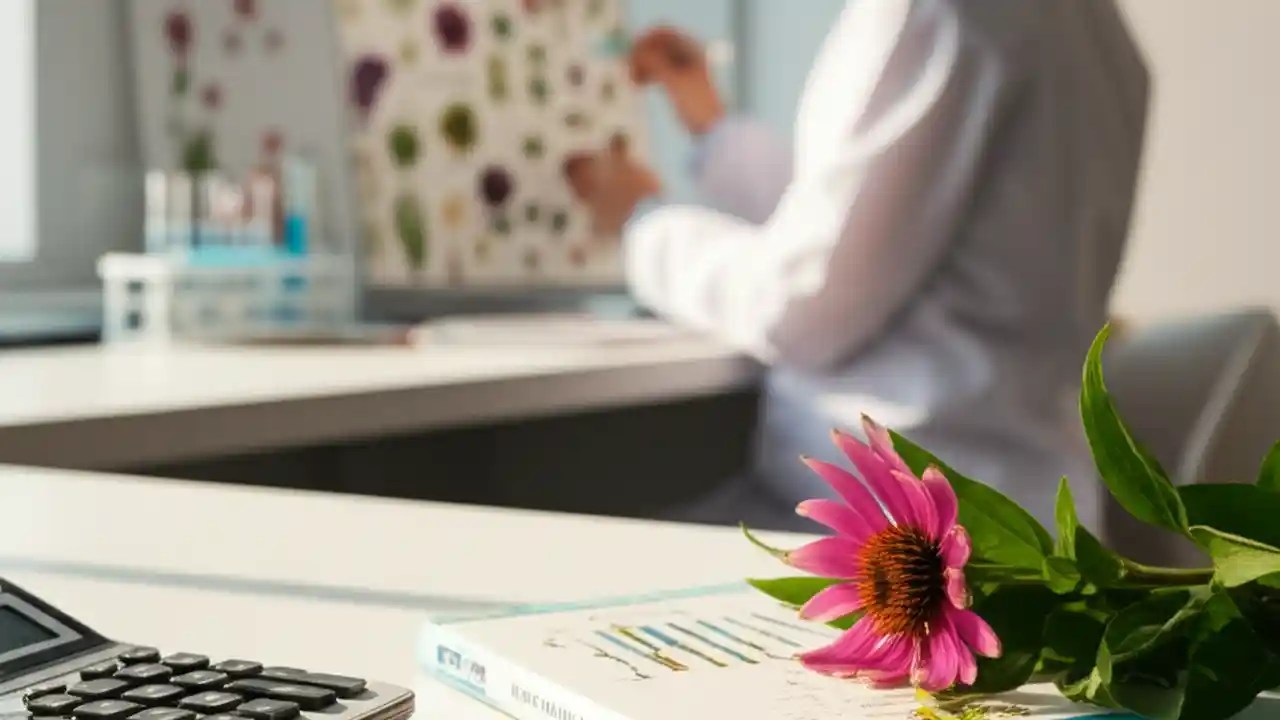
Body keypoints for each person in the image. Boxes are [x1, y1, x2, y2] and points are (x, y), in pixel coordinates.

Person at [574, 0, 1150, 531]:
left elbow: (801, 308)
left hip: (902, 541)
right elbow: (879, 236)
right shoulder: (1098, 29)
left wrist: (640, 227)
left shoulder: (939, 13)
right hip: (1022, 508)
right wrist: (714, 129)